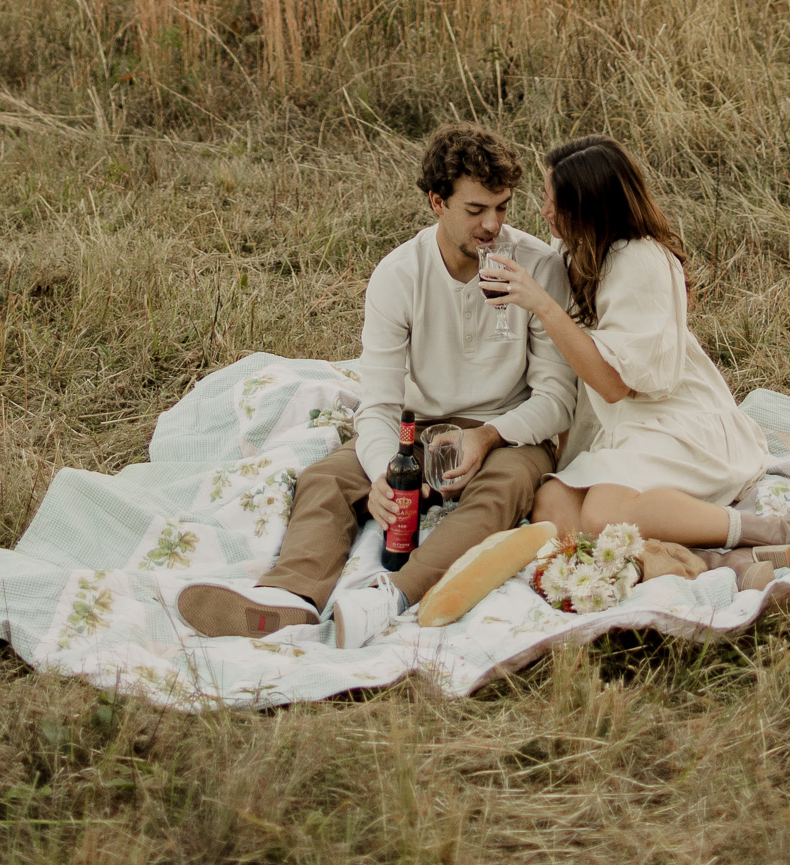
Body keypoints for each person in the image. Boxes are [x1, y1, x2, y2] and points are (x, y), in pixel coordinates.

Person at [178, 125, 577, 649]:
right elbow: (380, 403)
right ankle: (292, 598)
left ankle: (391, 597)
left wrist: (489, 438)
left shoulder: (538, 267)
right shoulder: (398, 275)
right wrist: (385, 472)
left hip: (507, 427)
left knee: (502, 491)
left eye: (502, 208)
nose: (493, 225)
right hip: (421, 425)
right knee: (326, 478)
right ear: (437, 202)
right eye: (476, 209)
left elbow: (556, 400)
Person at [484, 135, 790, 580]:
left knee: (603, 513)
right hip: (624, 427)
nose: (544, 211)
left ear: (590, 206)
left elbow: (615, 385)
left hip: (675, 419)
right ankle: (715, 561)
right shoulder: (578, 250)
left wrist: (543, 305)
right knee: (552, 506)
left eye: (554, 201)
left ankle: (776, 529)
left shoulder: (639, 261)